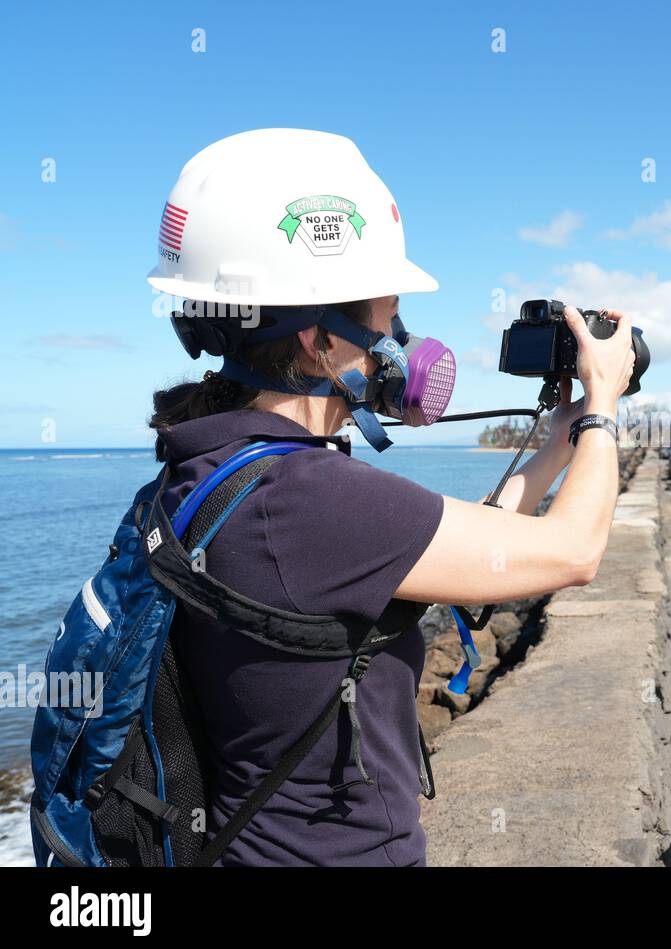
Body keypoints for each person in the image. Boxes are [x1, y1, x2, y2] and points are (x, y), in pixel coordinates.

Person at [146, 129, 635, 865]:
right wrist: (603, 405)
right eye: (387, 316)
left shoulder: (210, 466)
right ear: (319, 340)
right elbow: (574, 552)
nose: (399, 339)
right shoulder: (314, 499)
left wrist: (560, 440)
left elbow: (473, 547)